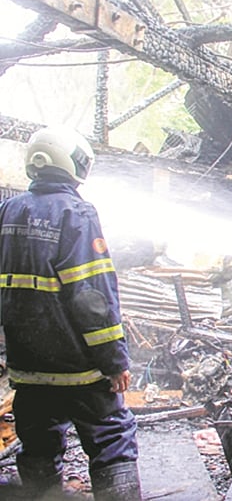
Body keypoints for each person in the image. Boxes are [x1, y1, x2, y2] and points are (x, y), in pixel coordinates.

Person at [0, 126, 141, 500]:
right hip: (79, 367)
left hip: (27, 368)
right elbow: (91, 295)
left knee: (39, 447)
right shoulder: (76, 212)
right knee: (112, 436)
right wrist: (114, 359)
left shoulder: (7, 211)